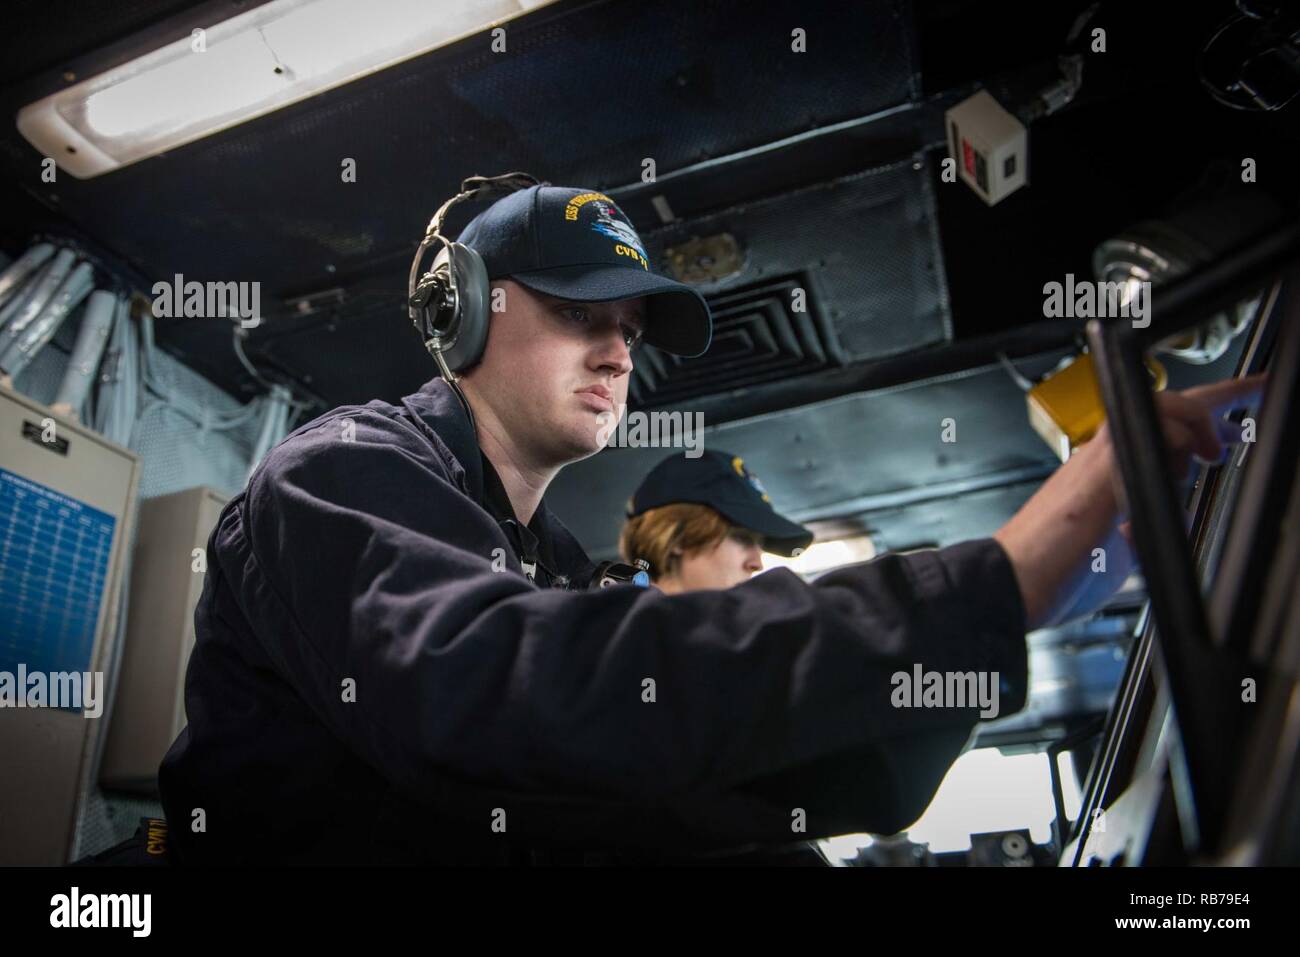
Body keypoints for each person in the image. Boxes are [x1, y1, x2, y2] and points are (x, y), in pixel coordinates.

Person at [157, 176, 1265, 865]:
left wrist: (968, 654)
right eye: (578, 312)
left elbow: (666, 784)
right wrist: (996, 576)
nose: (617, 352)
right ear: (460, 311)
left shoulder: (550, 559)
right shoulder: (340, 472)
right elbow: (498, 696)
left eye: (632, 327)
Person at [619, 449, 814, 593]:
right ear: (677, 536)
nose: (757, 564)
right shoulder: (608, 639)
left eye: (760, 543)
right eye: (742, 538)